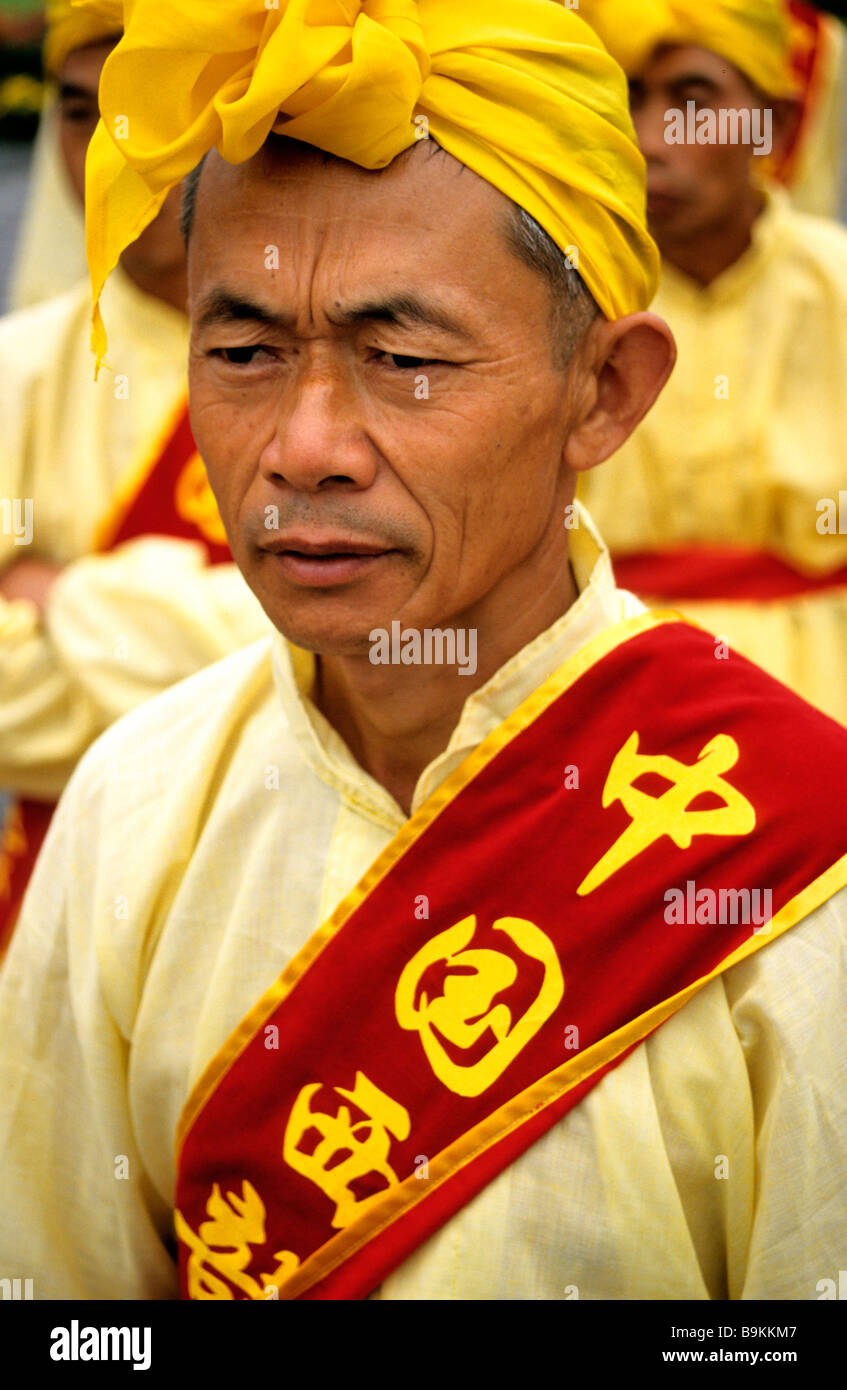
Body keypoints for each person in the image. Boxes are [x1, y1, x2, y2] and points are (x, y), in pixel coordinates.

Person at [0, 0, 845, 1302]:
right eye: (240, 351)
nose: (302, 447)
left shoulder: (798, 871)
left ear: (605, 392)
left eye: (400, 355)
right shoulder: (133, 808)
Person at [0, 6, 269, 946]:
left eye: (153, 105)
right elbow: (310, 656)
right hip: (67, 895)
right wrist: (253, 642)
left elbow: (397, 642)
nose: (111, 151)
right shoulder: (17, 371)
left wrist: (64, 597)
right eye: (80, 113)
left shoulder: (362, 359)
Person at [577, 0, 847, 724]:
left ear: (777, 127)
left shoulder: (839, 287)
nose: (647, 138)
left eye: (692, 102)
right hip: (593, 675)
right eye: (628, 98)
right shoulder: (558, 293)